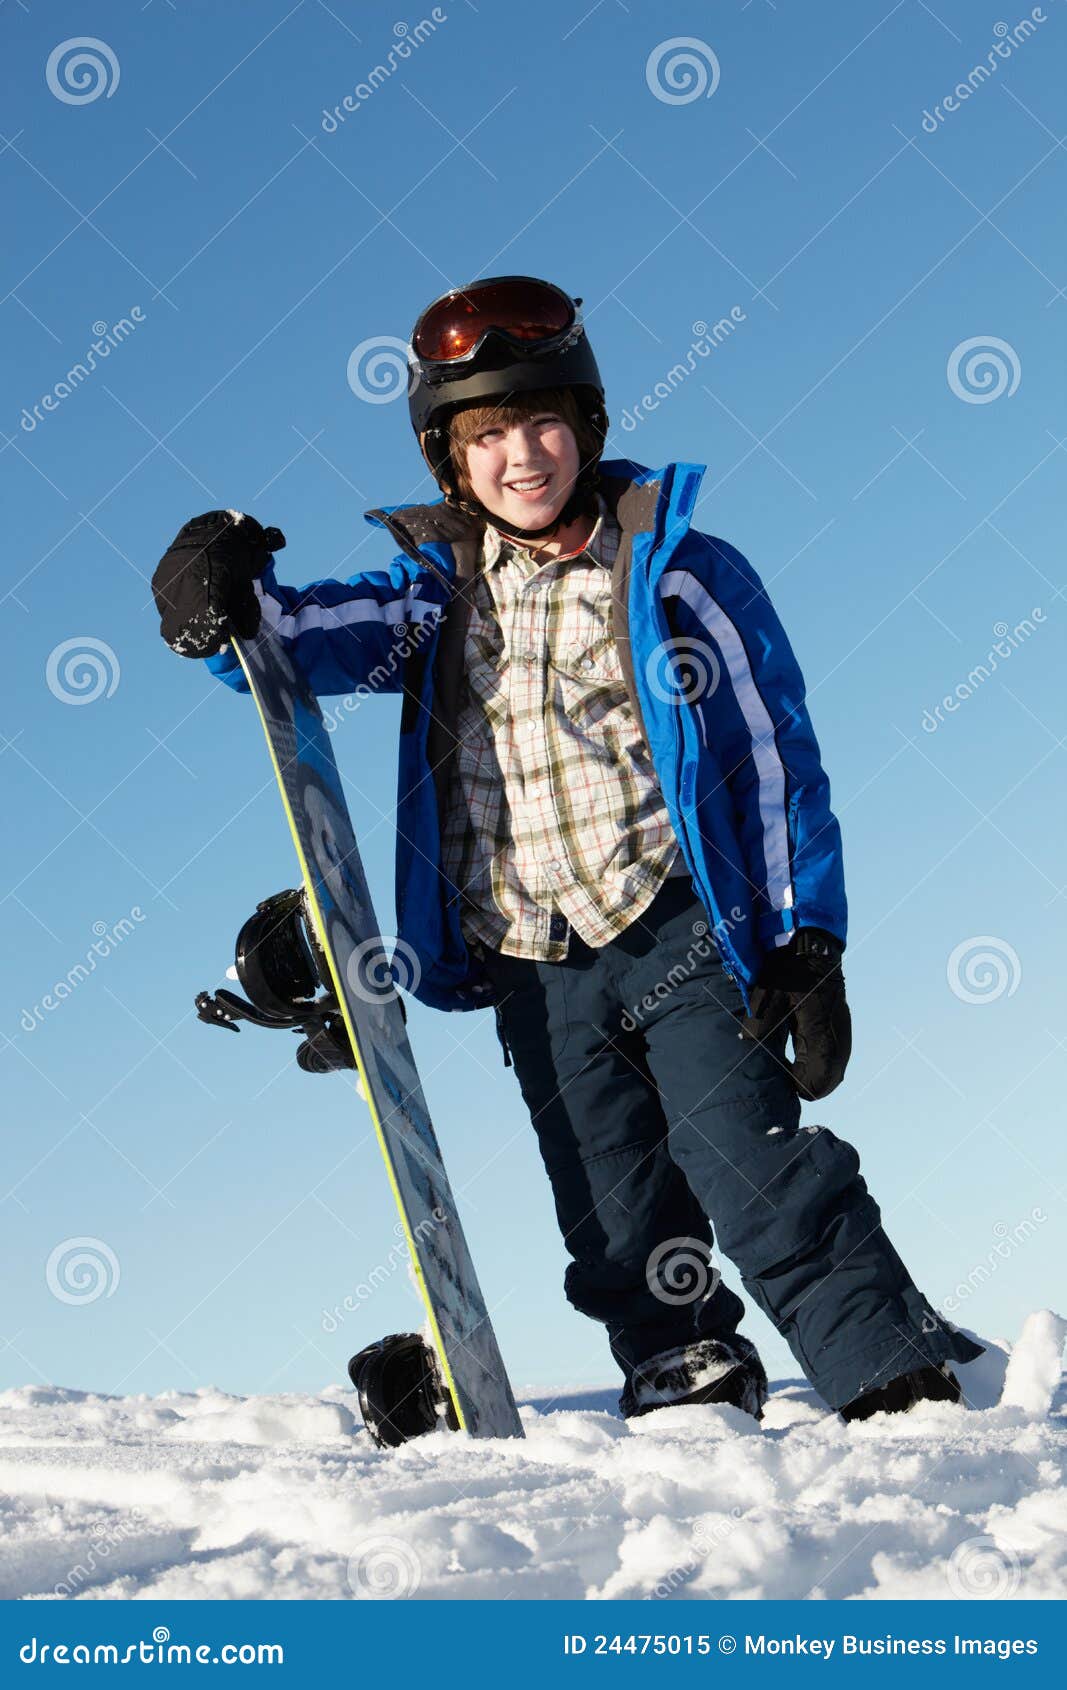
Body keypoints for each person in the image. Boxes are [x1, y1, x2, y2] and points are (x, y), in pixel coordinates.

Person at [152, 275, 983, 1423]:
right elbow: (303, 641)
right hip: (531, 959)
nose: (521, 455)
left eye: (542, 420)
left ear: (586, 426)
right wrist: (226, 599)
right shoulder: (433, 597)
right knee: (607, 1192)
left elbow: (770, 750)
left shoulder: (673, 569)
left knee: (749, 1163)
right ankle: (681, 1361)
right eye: (486, 434)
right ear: (450, 462)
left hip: (678, 928)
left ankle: (891, 1366)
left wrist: (804, 936)